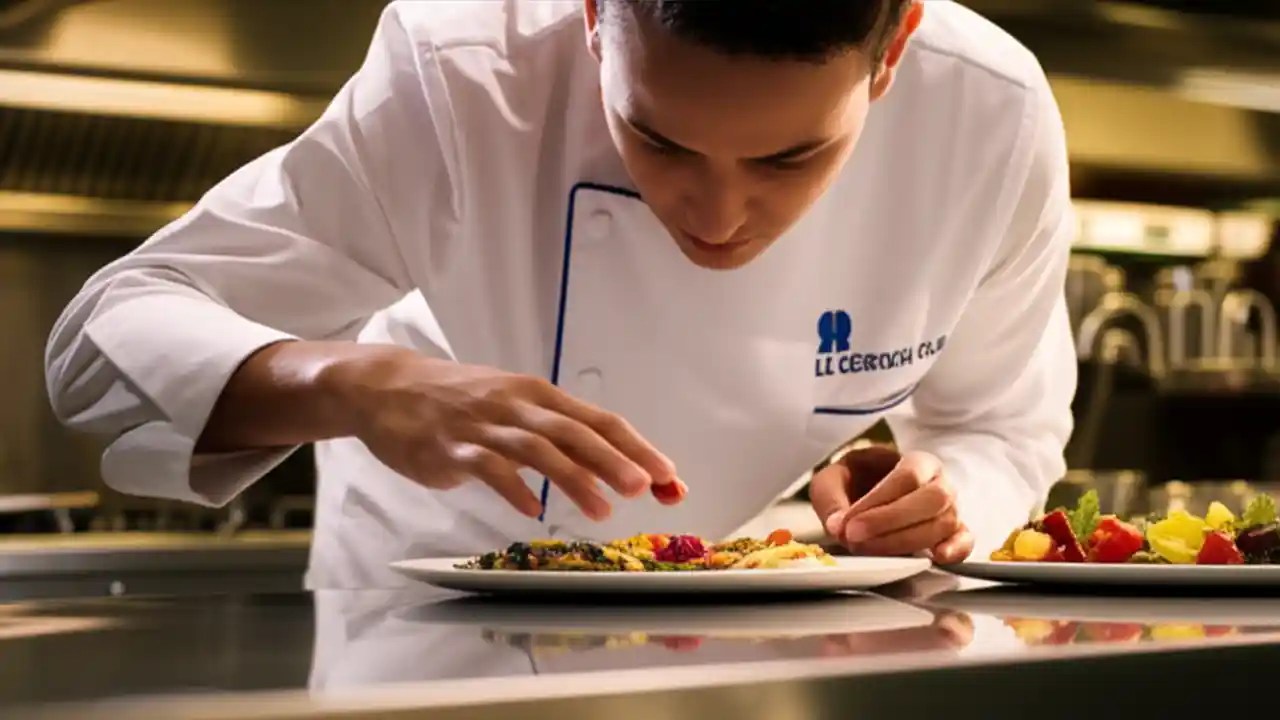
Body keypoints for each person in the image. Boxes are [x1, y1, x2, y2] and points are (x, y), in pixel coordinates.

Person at [45, 0, 1077, 587]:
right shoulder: (462, 74)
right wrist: (353, 381)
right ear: (592, 15)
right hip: (428, 647)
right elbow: (102, 343)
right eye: (658, 139)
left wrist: (946, 500)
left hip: (751, 644)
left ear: (890, 48)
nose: (716, 216)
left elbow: (999, 427)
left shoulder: (986, 115)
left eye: (788, 159)